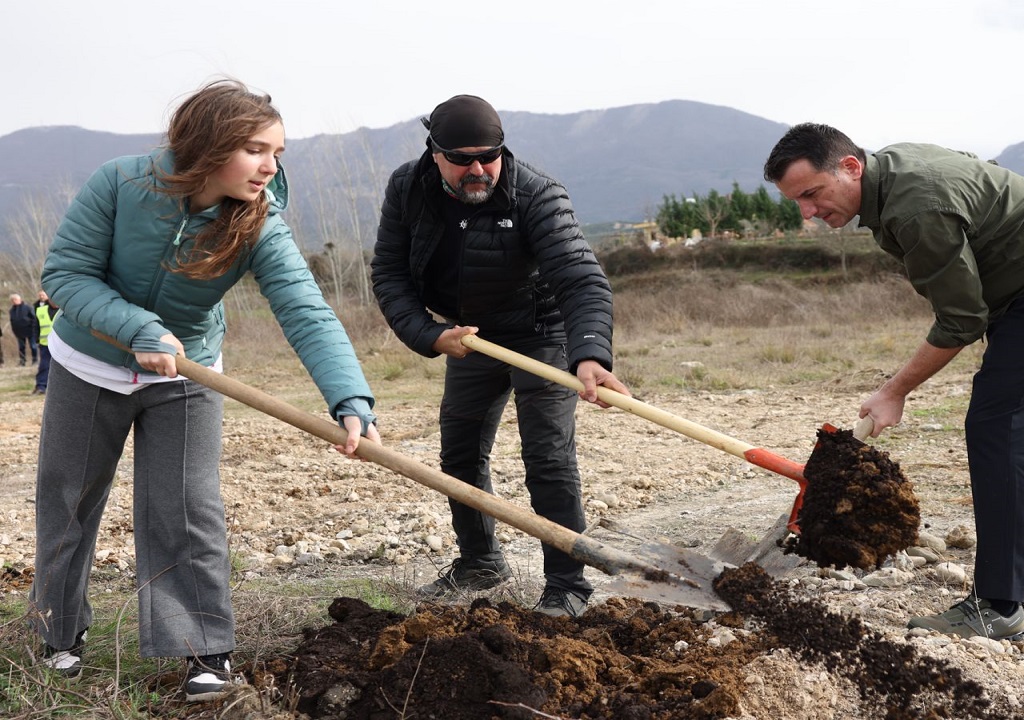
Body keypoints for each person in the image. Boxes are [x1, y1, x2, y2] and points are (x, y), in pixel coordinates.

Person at [32, 79, 382, 701]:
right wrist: (136, 327)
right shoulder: (119, 182)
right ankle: (58, 634)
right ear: (208, 144)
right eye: (255, 149)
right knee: (69, 499)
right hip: (89, 364)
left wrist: (349, 397)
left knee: (187, 508)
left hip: (189, 375)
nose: (271, 167)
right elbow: (66, 273)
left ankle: (202, 652)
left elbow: (305, 309)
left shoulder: (259, 223)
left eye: (277, 152)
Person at [764, 124, 1024, 640]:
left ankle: (996, 607)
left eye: (812, 194)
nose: (808, 212)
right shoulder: (895, 171)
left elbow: (962, 318)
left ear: (851, 167)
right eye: (797, 202)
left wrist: (893, 389)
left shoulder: (914, 206)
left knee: (1002, 435)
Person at [371, 94, 628, 619]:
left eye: (488, 156)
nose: (477, 169)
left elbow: (581, 280)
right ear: (434, 153)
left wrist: (589, 353)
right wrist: (428, 333)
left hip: (542, 333)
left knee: (548, 459)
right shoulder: (407, 187)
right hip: (470, 337)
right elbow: (389, 273)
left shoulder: (536, 192)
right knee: (460, 454)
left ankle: (567, 586)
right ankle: (480, 561)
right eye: (462, 158)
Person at [32, 295, 57, 394]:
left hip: (61, 344)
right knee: (44, 365)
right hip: (45, 343)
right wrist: (36, 338)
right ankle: (41, 386)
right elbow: (36, 326)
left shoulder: (65, 311)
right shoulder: (40, 310)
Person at [10, 293, 39, 366]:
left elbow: (34, 318)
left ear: (20, 299)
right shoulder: (11, 310)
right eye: (12, 300)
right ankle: (22, 362)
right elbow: (12, 321)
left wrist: (33, 328)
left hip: (30, 330)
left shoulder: (27, 307)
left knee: (33, 346)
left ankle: (35, 361)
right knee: (21, 347)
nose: (14, 301)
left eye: (15, 299)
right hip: (19, 332)